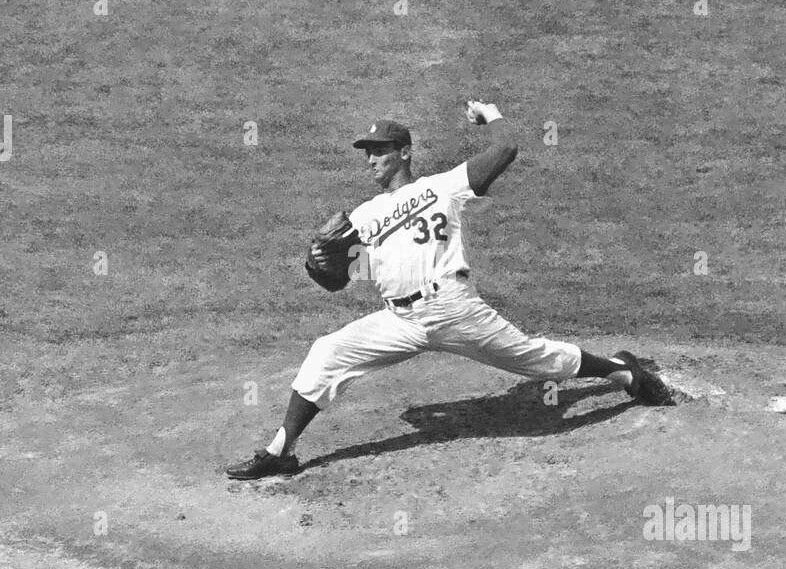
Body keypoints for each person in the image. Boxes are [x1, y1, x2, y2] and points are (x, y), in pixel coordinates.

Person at [225, 100, 675, 480]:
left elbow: (506, 148)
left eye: (379, 150)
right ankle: (281, 452)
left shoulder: (442, 187)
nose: (370, 159)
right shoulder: (361, 216)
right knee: (326, 352)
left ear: (403, 152)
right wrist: (315, 261)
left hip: (454, 309)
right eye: (367, 152)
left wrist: (490, 113)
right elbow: (338, 282)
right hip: (400, 320)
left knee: (538, 362)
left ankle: (623, 372)